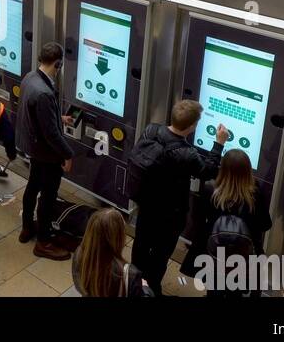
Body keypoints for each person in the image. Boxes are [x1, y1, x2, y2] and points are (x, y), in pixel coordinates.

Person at [129, 100, 227, 296]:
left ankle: (134, 284)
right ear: (192, 126)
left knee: (141, 245)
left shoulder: (151, 130)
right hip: (170, 213)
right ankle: (151, 290)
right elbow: (208, 171)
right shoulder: (186, 153)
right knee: (160, 254)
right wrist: (219, 144)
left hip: (146, 204)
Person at [180, 150, 272, 297]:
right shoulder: (255, 194)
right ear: (248, 171)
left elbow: (197, 221)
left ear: (222, 169)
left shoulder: (210, 189)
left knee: (215, 288)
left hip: (214, 253)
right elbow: (266, 224)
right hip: (245, 255)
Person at [15, 42, 74, 261]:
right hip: (46, 152)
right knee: (48, 196)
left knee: (32, 186)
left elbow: (35, 114)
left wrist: (58, 118)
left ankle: (27, 227)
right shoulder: (45, 94)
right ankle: (44, 241)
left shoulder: (30, 77)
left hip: (32, 147)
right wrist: (68, 154)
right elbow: (52, 135)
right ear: (57, 64)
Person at [72, 208, 153, 297]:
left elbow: (79, 285)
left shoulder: (79, 254)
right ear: (118, 238)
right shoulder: (130, 274)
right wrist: (145, 288)